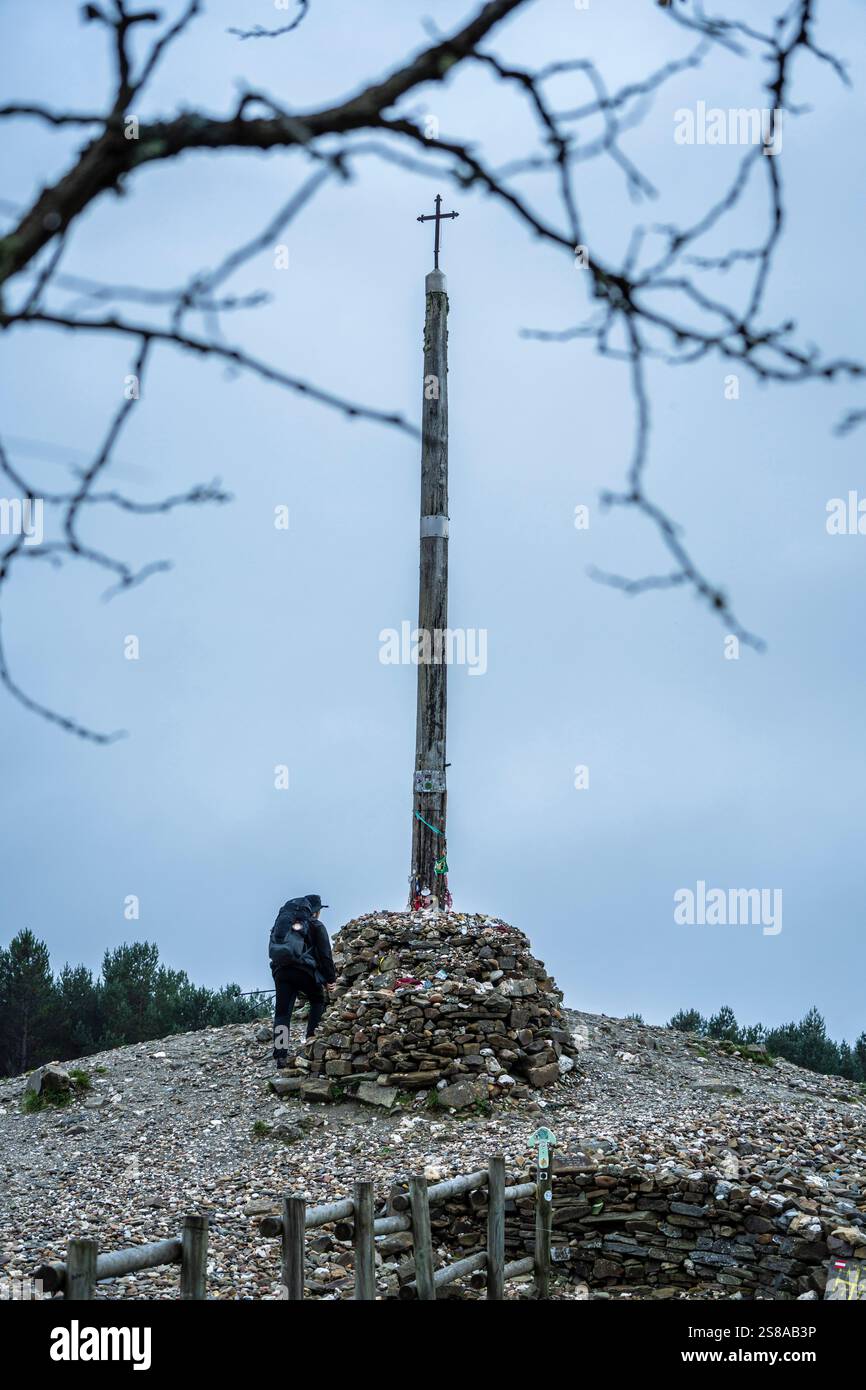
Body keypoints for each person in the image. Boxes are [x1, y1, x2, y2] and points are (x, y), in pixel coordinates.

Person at [269, 894, 337, 1067]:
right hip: (304, 971)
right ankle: (311, 1043)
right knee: (317, 1000)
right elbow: (325, 955)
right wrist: (330, 979)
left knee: (283, 1014)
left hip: (281, 971)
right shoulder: (316, 925)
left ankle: (281, 1056)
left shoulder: (284, 925)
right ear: (316, 911)